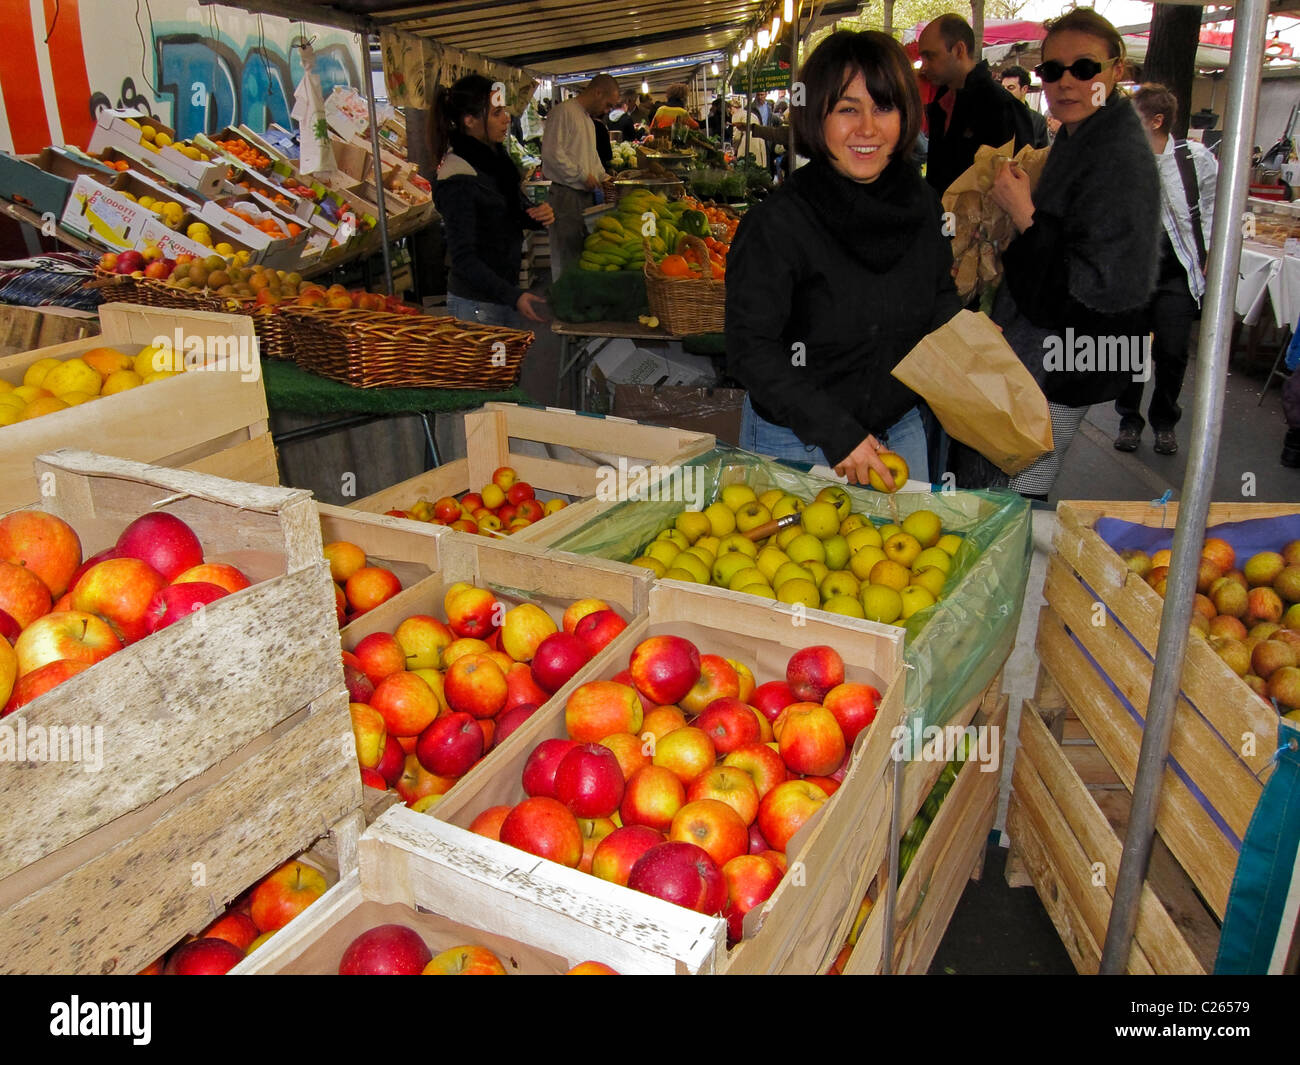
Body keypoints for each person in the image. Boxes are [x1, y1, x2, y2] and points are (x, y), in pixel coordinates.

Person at [725, 30, 962, 487]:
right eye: (847, 109)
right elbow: (750, 350)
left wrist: (965, 331)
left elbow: (937, 295)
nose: (867, 128)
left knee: (909, 560)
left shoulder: (922, 204)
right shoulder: (778, 223)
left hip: (901, 431)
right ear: (817, 116)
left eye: (884, 107)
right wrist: (837, 432)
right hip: (799, 440)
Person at [980, 8, 1162, 499]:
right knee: (1014, 479)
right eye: (1051, 71)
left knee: (1021, 490)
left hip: (1074, 352)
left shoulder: (1119, 154)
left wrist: (1023, 215)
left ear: (1116, 71)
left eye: (1084, 68)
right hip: (1058, 346)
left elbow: (1095, 284)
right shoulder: (1082, 137)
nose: (1066, 82)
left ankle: (1019, 570)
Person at [1113, 84, 1217, 456]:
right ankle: (1128, 420)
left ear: (1157, 121)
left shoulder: (1195, 159)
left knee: (1173, 352)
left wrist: (1210, 256)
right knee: (1131, 352)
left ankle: (1164, 421)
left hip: (1177, 274)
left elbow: (1212, 208)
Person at [431, 74, 554, 328]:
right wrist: (514, 296)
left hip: (501, 294)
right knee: (493, 369)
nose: (506, 118)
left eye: (505, 111)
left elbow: (510, 213)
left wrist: (538, 214)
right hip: (476, 306)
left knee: (508, 368)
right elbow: (463, 259)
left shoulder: (495, 162)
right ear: (470, 120)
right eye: (497, 113)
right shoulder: (457, 175)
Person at [918, 14, 1034, 196]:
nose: (923, 67)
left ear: (958, 50)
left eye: (930, 57)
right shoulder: (941, 102)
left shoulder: (1000, 106)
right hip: (941, 219)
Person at [541, 74, 620, 279]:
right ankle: (563, 302)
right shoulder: (563, 112)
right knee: (565, 253)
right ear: (598, 92)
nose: (607, 110)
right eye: (608, 104)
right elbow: (552, 154)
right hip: (565, 196)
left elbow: (590, 156)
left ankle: (576, 301)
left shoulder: (587, 120)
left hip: (584, 196)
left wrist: (603, 177)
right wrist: (583, 175)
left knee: (580, 252)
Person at [999, 64, 1051, 149]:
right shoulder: (995, 117)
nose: (1005, 92)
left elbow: (1042, 154)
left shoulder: (1038, 121)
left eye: (1010, 88)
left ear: (1024, 89)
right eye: (1003, 88)